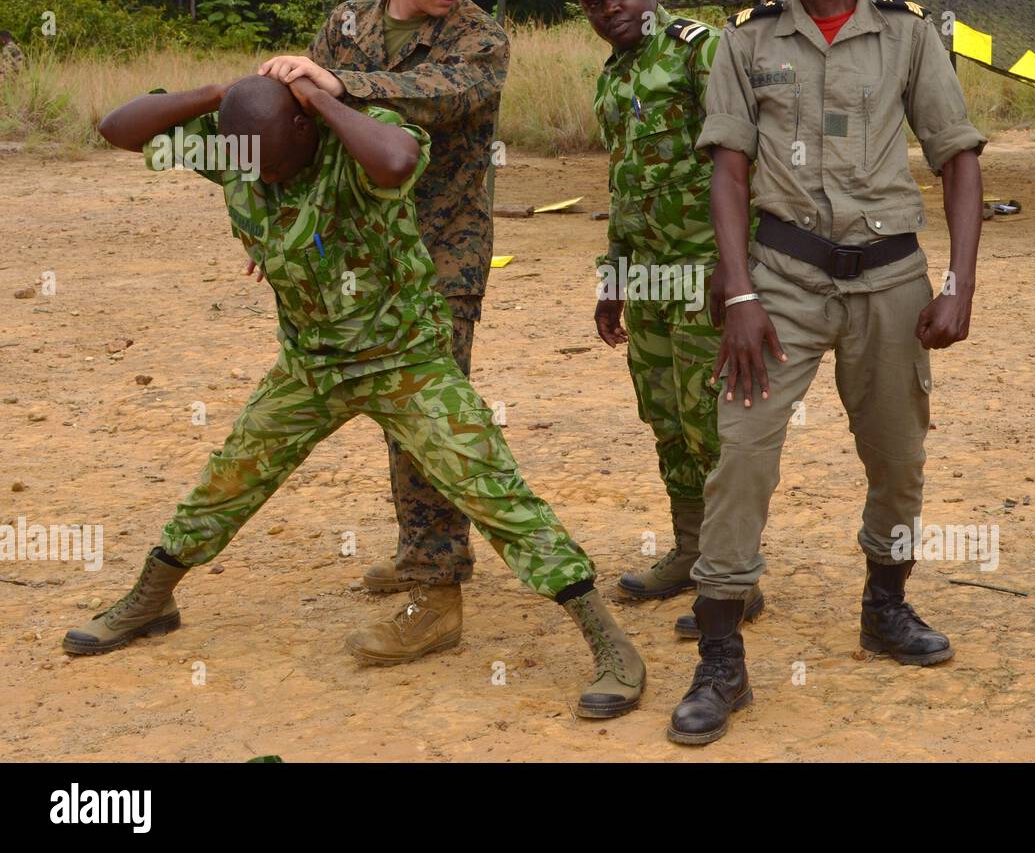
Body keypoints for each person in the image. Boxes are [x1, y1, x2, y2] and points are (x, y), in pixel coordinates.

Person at [63, 73, 645, 719]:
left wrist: (322, 99)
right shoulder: (241, 150)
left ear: (306, 130)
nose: (265, 183)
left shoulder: (356, 149)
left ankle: (608, 642)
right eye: (248, 168)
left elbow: (399, 161)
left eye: (277, 166)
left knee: (490, 485)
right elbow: (118, 129)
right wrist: (216, 95)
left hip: (404, 361)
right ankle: (152, 598)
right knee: (229, 478)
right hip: (312, 366)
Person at [667, 0, 987, 745]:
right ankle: (721, 661)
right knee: (742, 455)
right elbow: (728, 172)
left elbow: (958, 156)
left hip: (890, 281)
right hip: (781, 281)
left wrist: (959, 283)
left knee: (898, 456)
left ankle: (885, 608)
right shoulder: (746, 43)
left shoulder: (909, 37)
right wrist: (738, 291)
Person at [256, 0, 507, 664]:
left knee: (429, 418)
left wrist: (343, 86)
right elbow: (306, 129)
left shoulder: (480, 38)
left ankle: (436, 593)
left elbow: (449, 98)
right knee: (387, 413)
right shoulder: (344, 24)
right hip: (361, 257)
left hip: (442, 255)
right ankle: (422, 552)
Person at [545, 0, 765, 638]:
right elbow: (624, 185)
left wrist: (741, 279)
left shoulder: (701, 52)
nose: (611, 9)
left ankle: (735, 578)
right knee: (667, 420)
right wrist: (614, 279)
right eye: (594, 2)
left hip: (706, 277)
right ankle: (692, 553)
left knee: (715, 425)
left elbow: (746, 168)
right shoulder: (614, 79)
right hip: (648, 284)